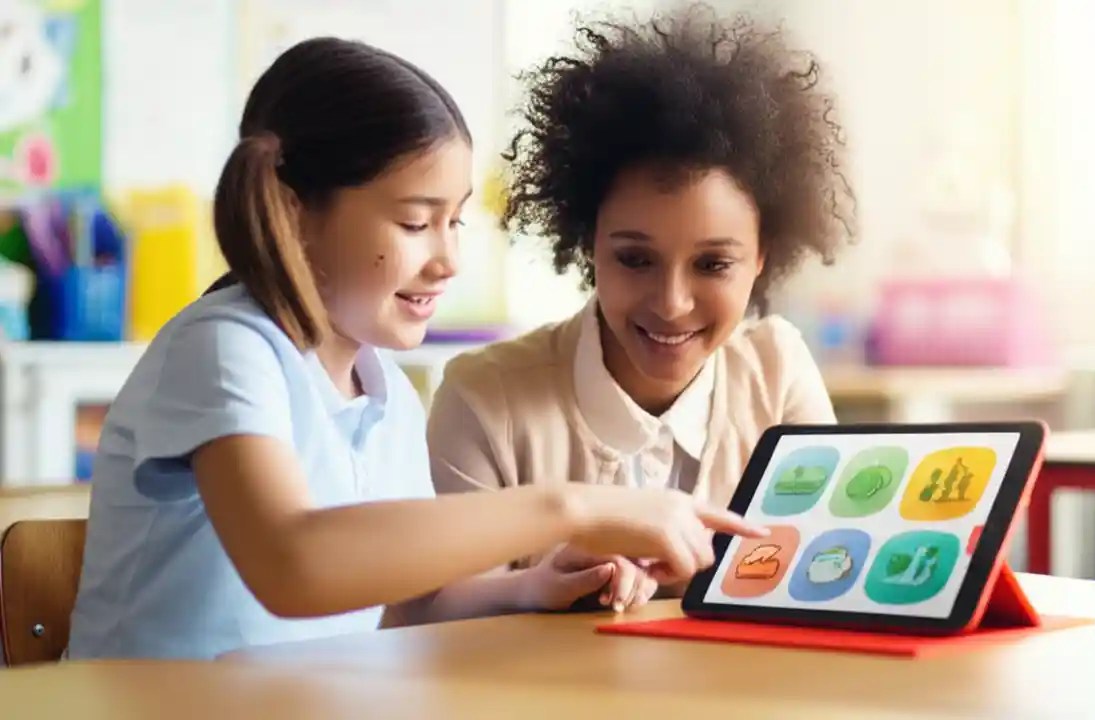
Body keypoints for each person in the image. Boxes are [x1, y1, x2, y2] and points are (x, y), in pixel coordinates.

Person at [65, 37, 760, 661]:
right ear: (295, 213)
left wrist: (533, 587)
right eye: (415, 221)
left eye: (455, 221)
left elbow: (403, 609)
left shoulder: (384, 391)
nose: (448, 259)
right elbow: (293, 566)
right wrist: (574, 506)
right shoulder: (223, 348)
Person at [428, 5, 856, 609]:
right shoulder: (484, 399)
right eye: (635, 260)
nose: (673, 304)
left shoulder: (776, 371)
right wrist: (535, 589)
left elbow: (828, 567)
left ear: (764, 256)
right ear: (588, 243)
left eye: (713, 265)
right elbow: (430, 615)